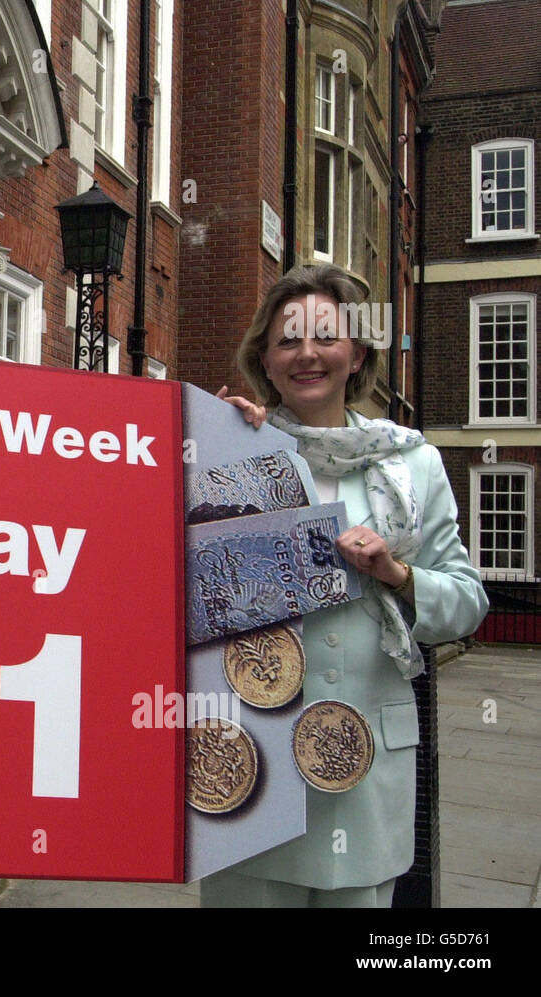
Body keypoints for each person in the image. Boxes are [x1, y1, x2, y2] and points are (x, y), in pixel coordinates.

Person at [205, 263, 488, 907]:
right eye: (287, 340)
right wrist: (204, 455)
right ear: (265, 360)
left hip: (366, 768)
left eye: (325, 336)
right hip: (254, 761)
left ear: (357, 353)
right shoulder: (233, 451)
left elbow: (467, 603)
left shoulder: (412, 463)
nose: (306, 353)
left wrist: (397, 574)